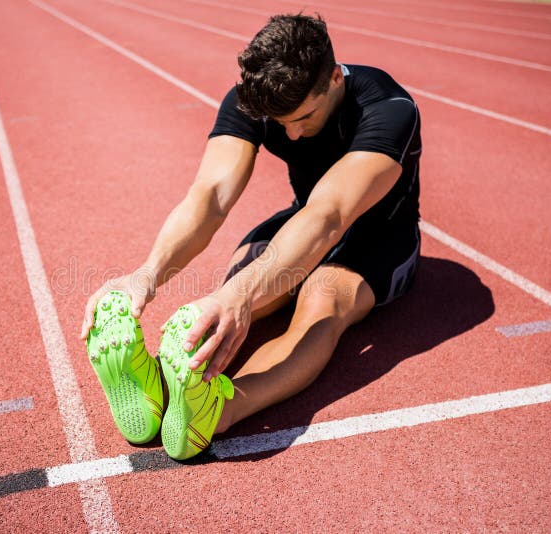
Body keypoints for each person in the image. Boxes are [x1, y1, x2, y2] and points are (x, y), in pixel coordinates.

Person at [80, 13, 421, 460]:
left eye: (303, 117)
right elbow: (210, 196)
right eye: (279, 124)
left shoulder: (388, 108)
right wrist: (150, 273)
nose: (292, 134)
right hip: (304, 217)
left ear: (335, 78)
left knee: (321, 298)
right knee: (233, 287)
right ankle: (159, 386)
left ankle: (220, 409)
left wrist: (242, 295)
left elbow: (330, 215)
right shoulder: (254, 100)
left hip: (379, 238)